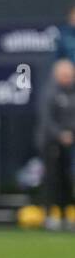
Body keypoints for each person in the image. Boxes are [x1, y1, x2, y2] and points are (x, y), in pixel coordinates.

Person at [36, 59, 75, 230]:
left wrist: (70, 134)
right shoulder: (50, 93)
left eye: (70, 75)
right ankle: (50, 215)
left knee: (67, 180)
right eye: (65, 75)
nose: (68, 78)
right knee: (52, 179)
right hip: (50, 144)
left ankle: (67, 215)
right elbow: (47, 121)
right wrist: (60, 134)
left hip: (68, 144)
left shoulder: (73, 93)